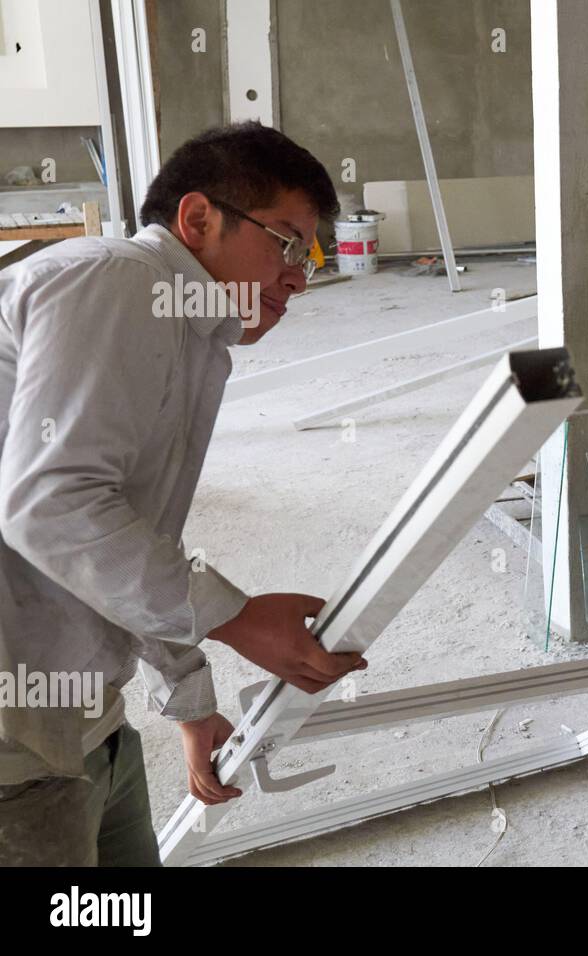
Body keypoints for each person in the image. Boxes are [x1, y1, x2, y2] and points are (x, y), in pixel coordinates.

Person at [0, 122, 366, 865]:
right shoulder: (115, 278)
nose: (302, 275)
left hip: (82, 715)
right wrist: (233, 619)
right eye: (289, 243)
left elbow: (126, 531)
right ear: (198, 219)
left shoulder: (186, 335)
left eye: (312, 254)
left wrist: (189, 699)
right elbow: (51, 506)